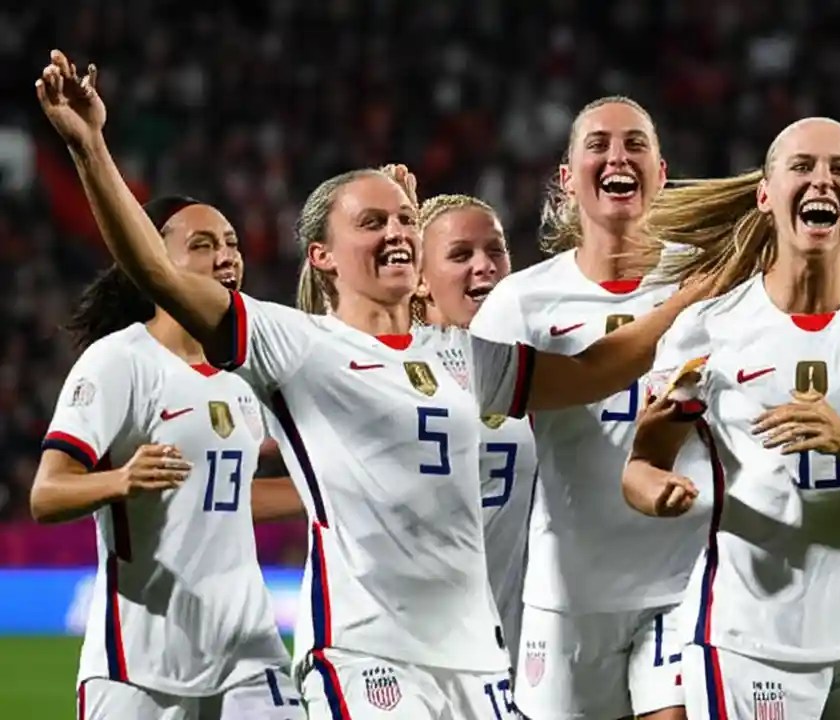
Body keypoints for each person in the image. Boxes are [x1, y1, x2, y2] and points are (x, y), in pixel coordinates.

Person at [37, 50, 711, 720]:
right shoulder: (295, 345)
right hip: (367, 663)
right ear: (323, 258)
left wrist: (689, 297)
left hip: (476, 664)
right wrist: (90, 146)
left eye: (403, 221)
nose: (395, 232)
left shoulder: (464, 355)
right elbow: (156, 272)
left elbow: (596, 370)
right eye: (371, 223)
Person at [623, 117, 840, 720]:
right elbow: (643, 465)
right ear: (765, 194)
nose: (821, 180)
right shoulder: (709, 330)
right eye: (802, 166)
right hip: (752, 637)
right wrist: (661, 493)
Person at [469, 96, 706, 720]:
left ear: (661, 173)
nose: (617, 156)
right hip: (568, 594)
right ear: (567, 178)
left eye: (635, 144)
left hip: (682, 583)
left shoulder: (713, 285)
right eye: (598, 144)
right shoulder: (521, 301)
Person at [31, 195, 301, 719]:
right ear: (151, 261)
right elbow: (46, 494)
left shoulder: (250, 367)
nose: (226, 257)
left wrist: (323, 493)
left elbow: (222, 495)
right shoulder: (120, 361)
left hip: (248, 653)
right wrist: (120, 481)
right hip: (138, 665)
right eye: (202, 245)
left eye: (231, 244)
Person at [416, 193, 537, 672]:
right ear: (421, 281)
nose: (485, 266)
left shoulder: (532, 367)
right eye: (461, 255)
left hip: (516, 639)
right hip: (415, 641)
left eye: (496, 251)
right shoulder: (394, 365)